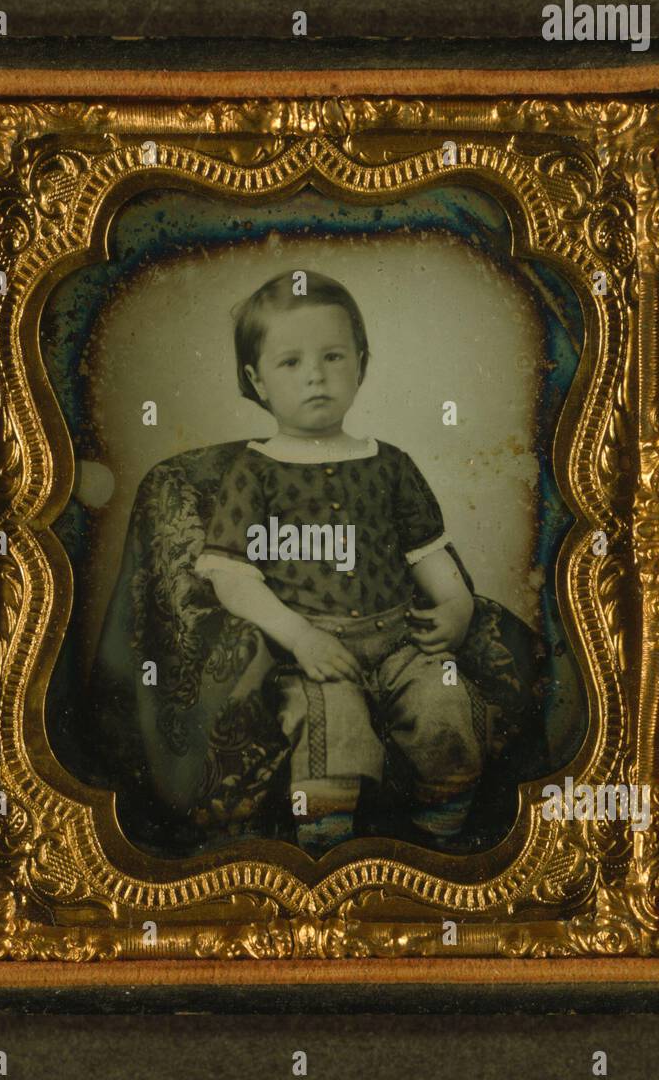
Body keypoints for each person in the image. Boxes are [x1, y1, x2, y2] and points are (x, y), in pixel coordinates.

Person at [195, 270, 488, 851]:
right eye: (290, 363)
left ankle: (439, 841)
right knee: (333, 727)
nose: (315, 375)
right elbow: (230, 574)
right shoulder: (255, 471)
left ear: (361, 364)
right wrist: (300, 637)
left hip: (402, 640)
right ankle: (327, 855)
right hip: (312, 650)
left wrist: (457, 604)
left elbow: (425, 550)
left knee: (447, 705)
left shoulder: (390, 463)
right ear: (256, 380)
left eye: (332, 356)